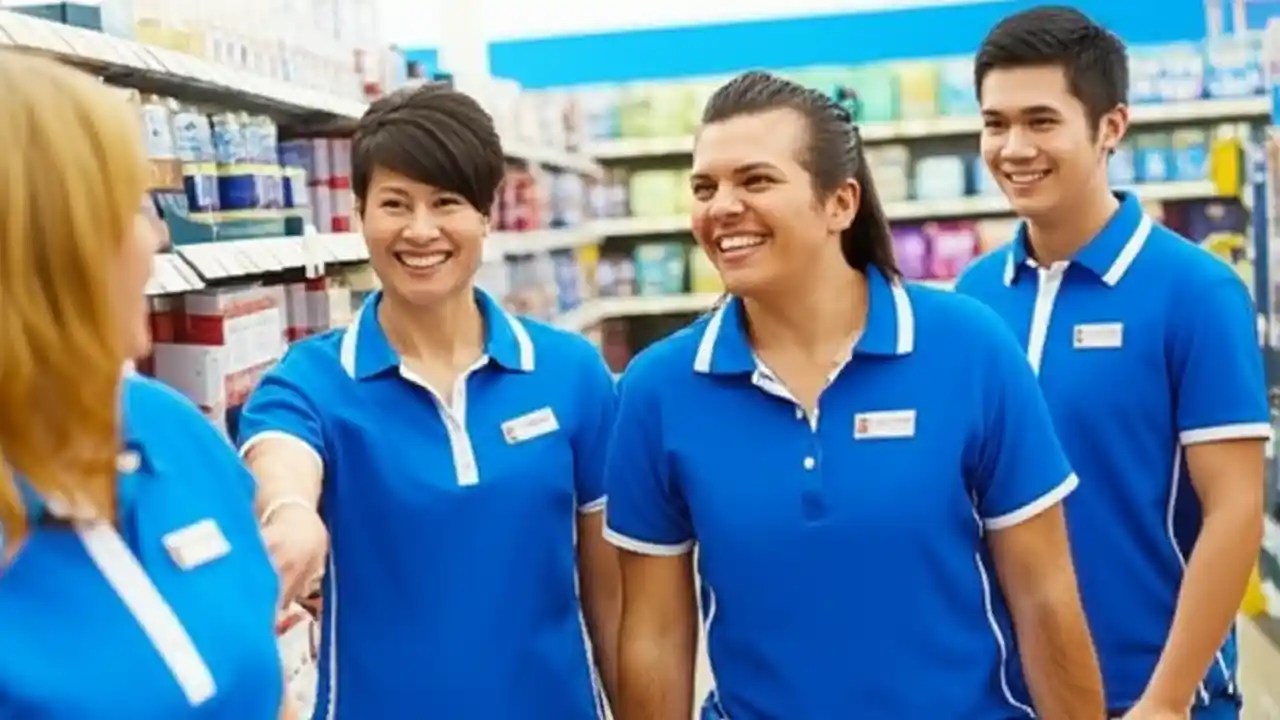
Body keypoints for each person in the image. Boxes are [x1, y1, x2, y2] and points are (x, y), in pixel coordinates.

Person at [603, 69, 1105, 719]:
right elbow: (656, 636)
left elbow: (1045, 595)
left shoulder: (969, 349)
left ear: (841, 203)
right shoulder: (658, 390)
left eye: (755, 180)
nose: (721, 206)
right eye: (705, 186)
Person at [236, 82, 621, 719]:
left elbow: (613, 597)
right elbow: (281, 458)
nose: (420, 231)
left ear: (485, 214)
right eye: (394, 203)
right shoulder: (313, 379)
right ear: (358, 213)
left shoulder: (570, 373)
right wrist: (290, 513)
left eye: (446, 202)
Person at [956, 7, 1270, 720]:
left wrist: (1165, 699)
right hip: (1004, 697)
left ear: (1111, 127)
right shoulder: (974, 298)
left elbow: (1235, 511)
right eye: (995, 122)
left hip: (1150, 699)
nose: (1013, 147)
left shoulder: (1195, 293)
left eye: (1041, 121)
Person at [0, 51, 290, 719]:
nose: (158, 237)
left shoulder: (173, 428)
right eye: (133, 205)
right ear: (49, 245)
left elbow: (260, 681)